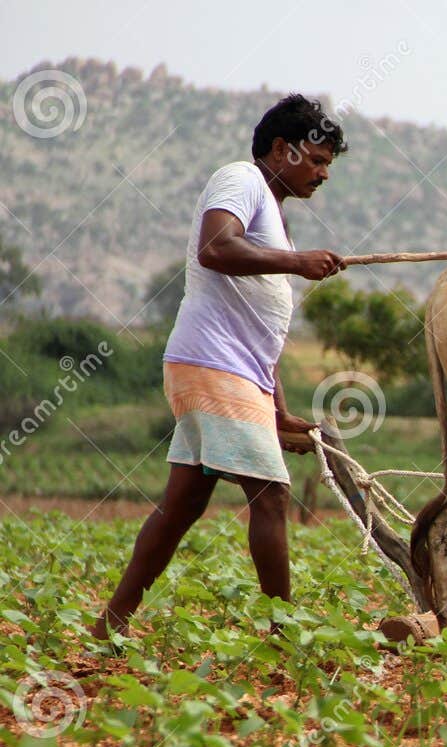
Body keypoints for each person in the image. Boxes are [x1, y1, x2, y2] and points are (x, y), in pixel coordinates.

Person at [93, 95, 348, 640]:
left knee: (182, 506)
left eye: (329, 164)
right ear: (281, 149)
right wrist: (298, 263)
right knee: (272, 495)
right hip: (212, 364)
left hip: (230, 370)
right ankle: (282, 636)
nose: (324, 174)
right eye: (318, 160)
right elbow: (215, 247)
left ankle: (110, 623)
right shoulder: (242, 180)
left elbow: (261, 330)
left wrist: (277, 411)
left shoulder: (274, 214)